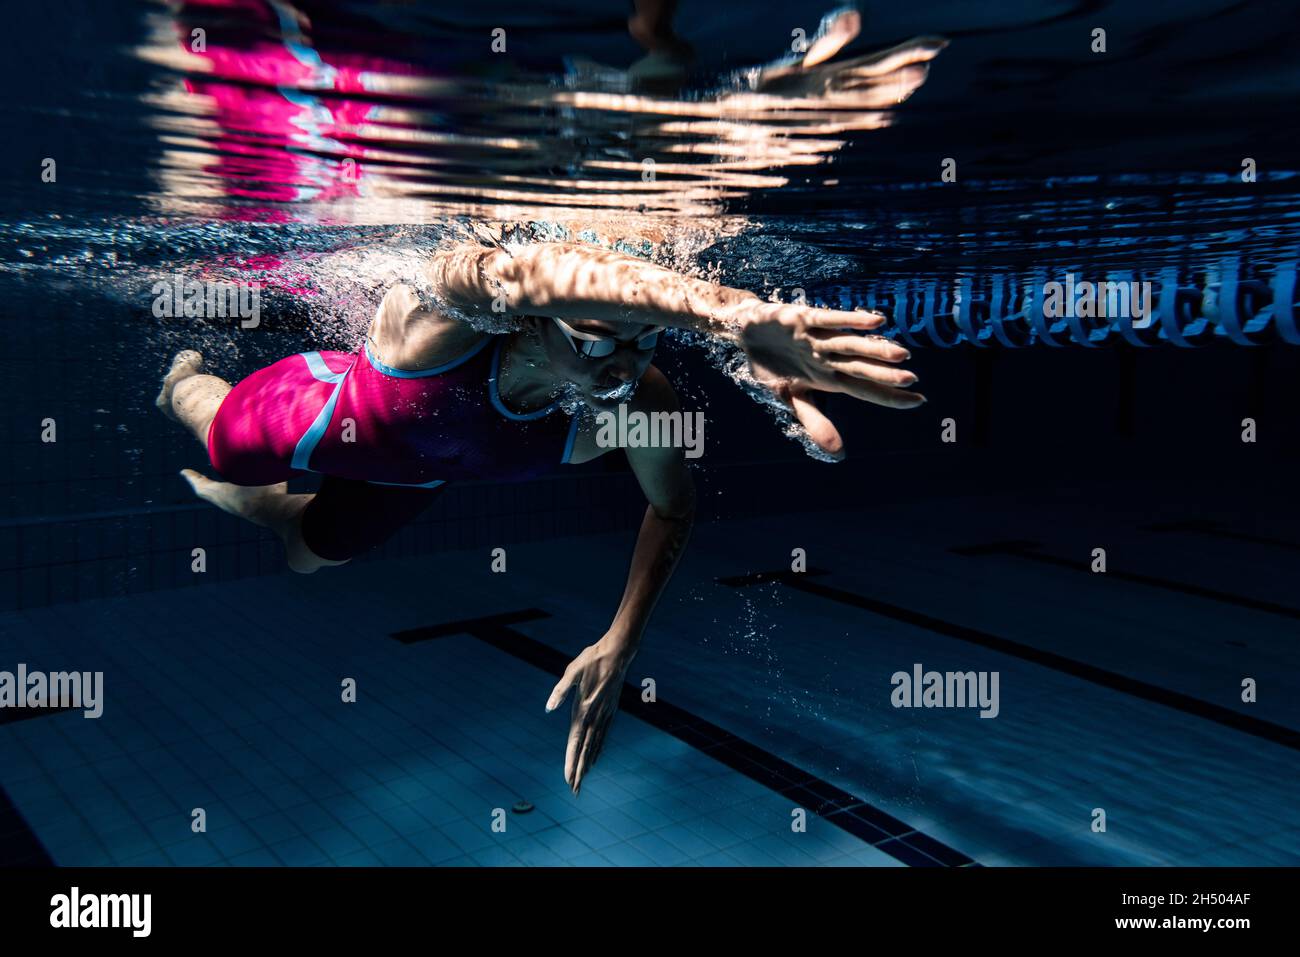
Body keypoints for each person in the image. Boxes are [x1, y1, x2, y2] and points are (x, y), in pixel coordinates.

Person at [157, 237, 923, 793]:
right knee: (228, 443)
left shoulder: (632, 401)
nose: (622, 365)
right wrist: (728, 313)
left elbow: (672, 504)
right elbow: (524, 271)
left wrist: (621, 641)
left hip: (420, 471)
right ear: (538, 322)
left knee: (308, 552)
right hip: (324, 414)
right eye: (596, 339)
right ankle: (182, 381)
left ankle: (268, 510)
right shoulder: (446, 325)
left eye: (642, 340)